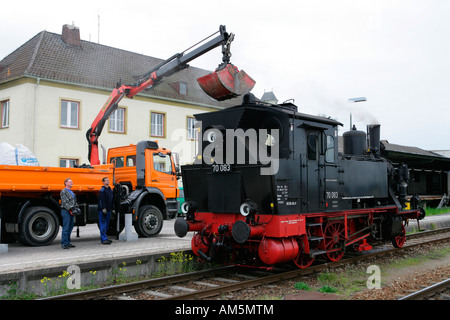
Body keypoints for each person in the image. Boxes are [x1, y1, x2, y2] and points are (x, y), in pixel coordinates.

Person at [60, 178, 77, 249]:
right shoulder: (63, 191)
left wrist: (76, 208)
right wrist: (70, 209)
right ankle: (64, 243)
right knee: (66, 227)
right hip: (66, 211)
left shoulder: (71, 192)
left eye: (72, 181)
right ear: (66, 183)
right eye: (70, 182)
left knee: (70, 227)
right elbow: (64, 202)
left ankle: (68, 242)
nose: (71, 183)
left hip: (71, 211)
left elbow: (74, 202)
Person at [98, 177, 114, 244]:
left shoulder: (110, 190)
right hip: (103, 210)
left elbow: (112, 200)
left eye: (108, 180)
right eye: (106, 180)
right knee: (103, 224)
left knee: (106, 225)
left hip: (109, 210)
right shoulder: (102, 190)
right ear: (103, 182)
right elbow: (101, 200)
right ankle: (103, 239)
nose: (108, 181)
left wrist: (112, 209)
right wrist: (103, 208)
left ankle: (105, 237)